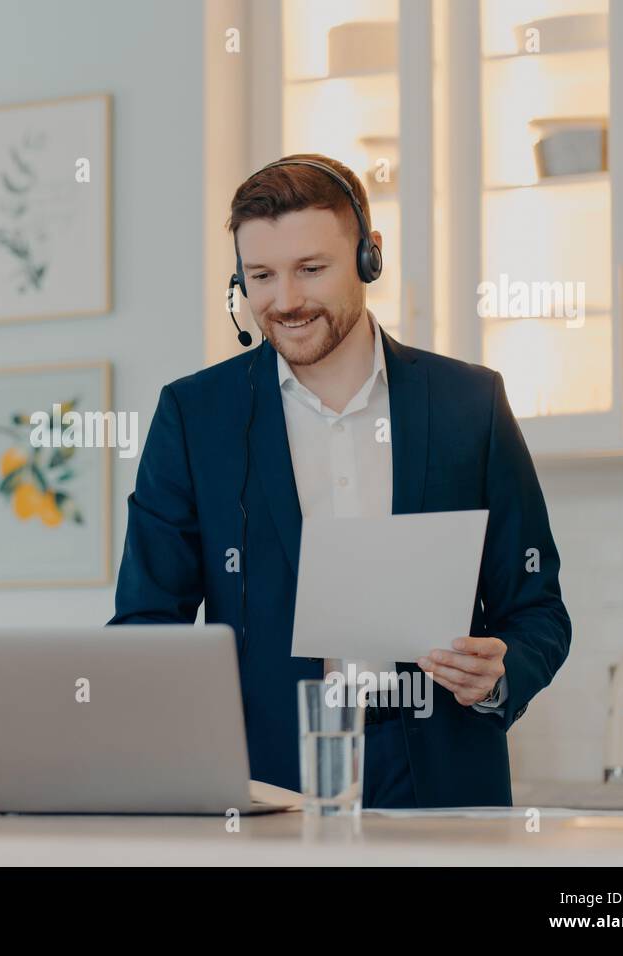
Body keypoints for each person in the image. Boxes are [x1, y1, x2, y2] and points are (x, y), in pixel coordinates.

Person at [108, 153, 572, 807]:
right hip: (265, 786)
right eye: (261, 276)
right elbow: (146, 626)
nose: (286, 300)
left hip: (441, 779)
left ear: (369, 257)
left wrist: (500, 673)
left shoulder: (470, 403)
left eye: (311, 269)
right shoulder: (193, 417)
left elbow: (537, 610)